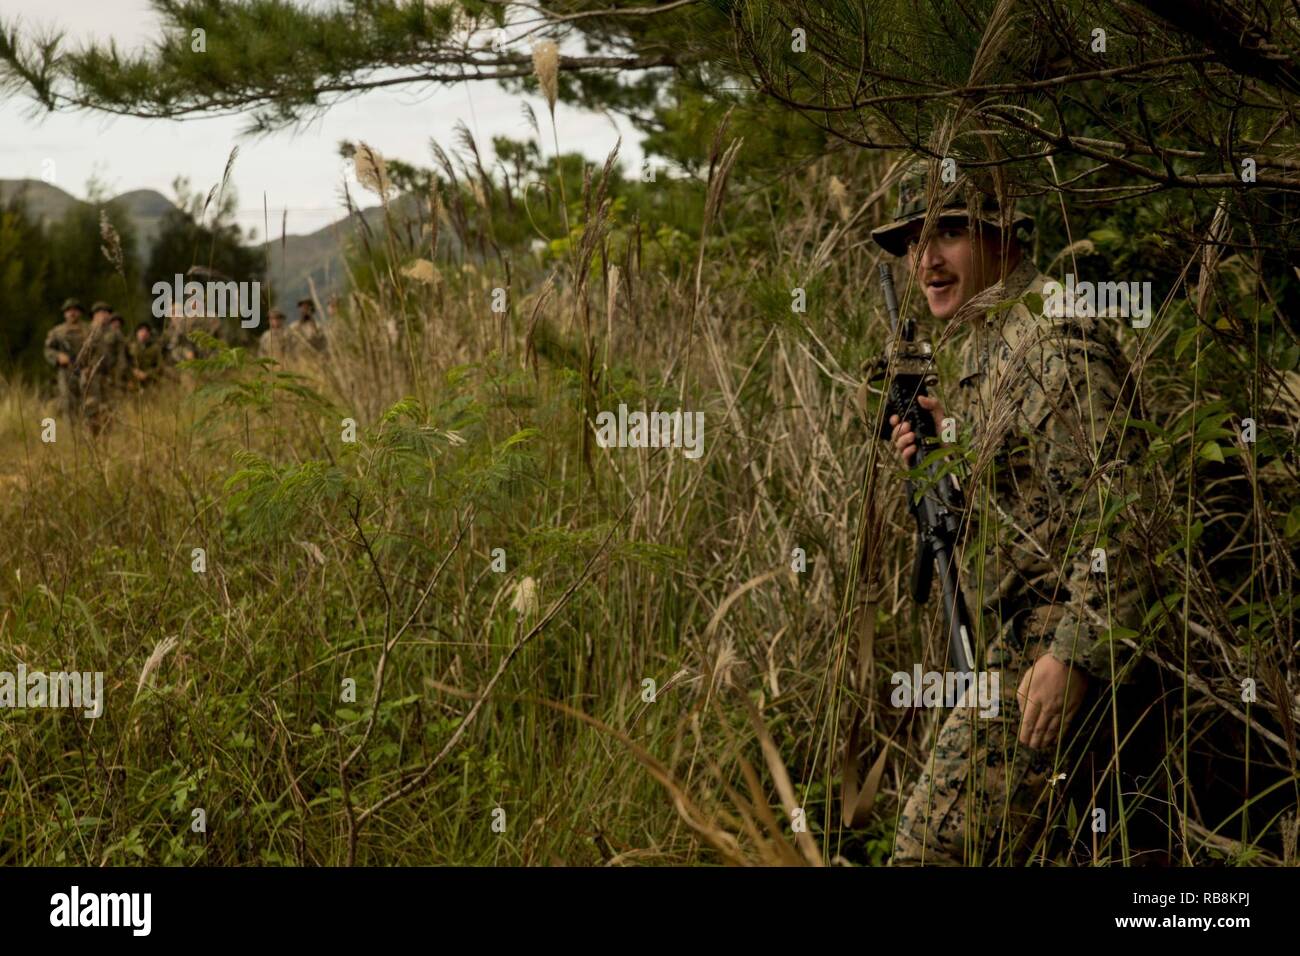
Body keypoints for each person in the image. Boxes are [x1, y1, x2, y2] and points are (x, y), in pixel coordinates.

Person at [867, 161, 1142, 865]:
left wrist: (1071, 657)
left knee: (930, 853)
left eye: (950, 232)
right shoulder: (993, 335)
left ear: (1004, 236)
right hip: (1023, 636)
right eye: (914, 239)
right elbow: (1032, 498)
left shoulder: (1052, 342)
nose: (926, 259)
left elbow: (1127, 517)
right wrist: (941, 450)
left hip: (1057, 639)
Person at [81, 301, 127, 425]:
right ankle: (91, 436)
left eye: (107, 313)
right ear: (94, 315)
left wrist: (118, 376)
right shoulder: (85, 331)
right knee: (91, 408)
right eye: (101, 313)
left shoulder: (115, 334)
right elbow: (78, 356)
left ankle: (108, 438)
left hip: (109, 376)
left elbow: (121, 358)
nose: (104, 315)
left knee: (110, 409)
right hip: (90, 377)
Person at [43, 297, 89, 419]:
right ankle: (70, 435)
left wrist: (91, 367)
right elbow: (48, 350)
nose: (72, 313)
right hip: (66, 372)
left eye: (75, 310)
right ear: (65, 313)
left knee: (88, 405)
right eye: (69, 310)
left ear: (80, 312)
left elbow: (98, 351)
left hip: (87, 372)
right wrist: (58, 356)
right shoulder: (57, 332)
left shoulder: (89, 330)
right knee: (68, 404)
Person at [128, 322, 164, 389]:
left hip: (151, 380)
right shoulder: (130, 347)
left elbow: (160, 366)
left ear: (149, 334)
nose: (143, 334)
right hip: (133, 380)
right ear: (137, 333)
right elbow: (125, 362)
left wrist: (146, 374)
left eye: (146, 331)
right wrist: (134, 372)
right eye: (141, 331)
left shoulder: (155, 348)